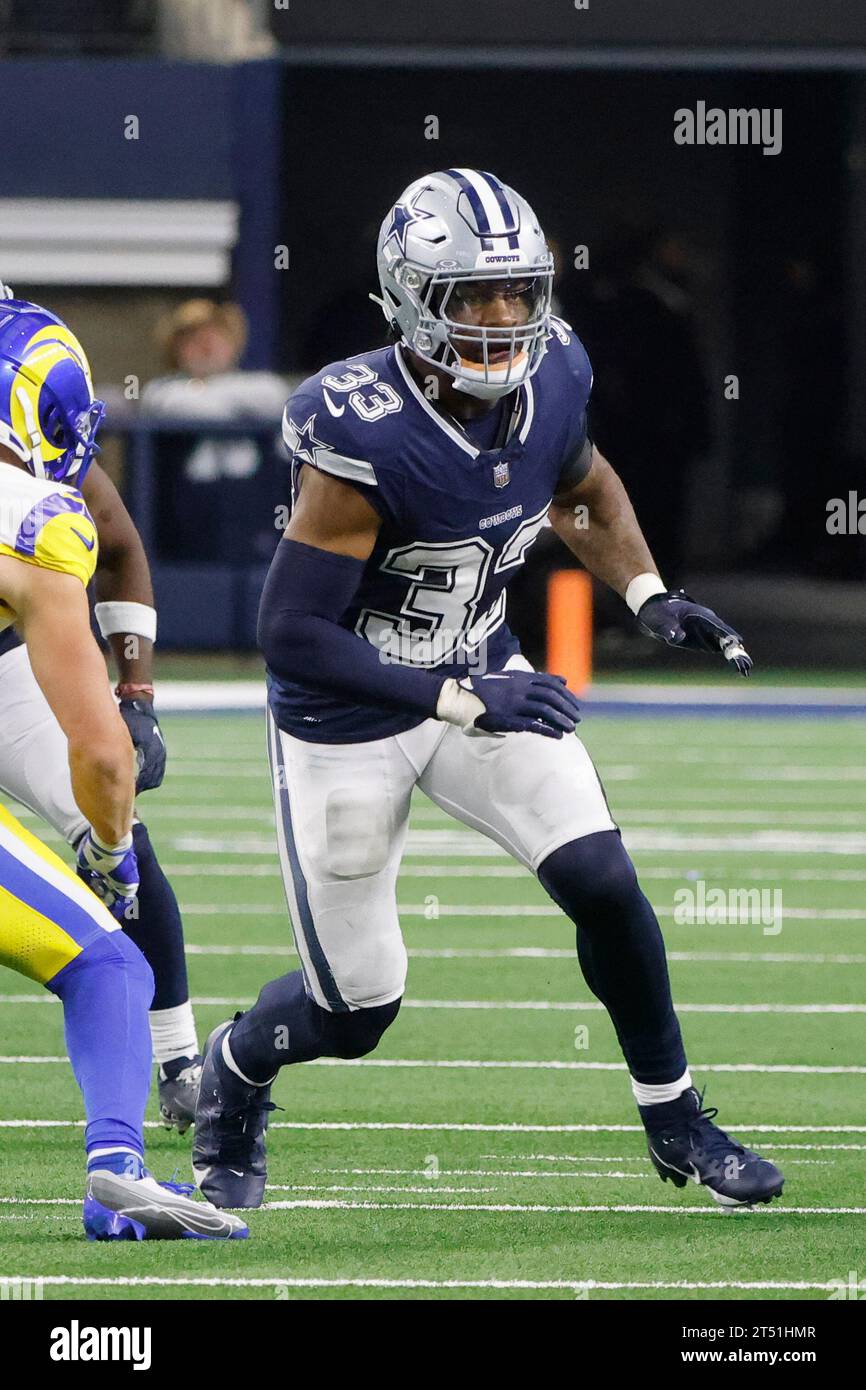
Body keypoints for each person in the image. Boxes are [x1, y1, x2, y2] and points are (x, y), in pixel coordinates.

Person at [192, 169, 783, 1212]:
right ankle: (237, 1069)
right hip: (351, 716)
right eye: (472, 296)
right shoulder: (359, 427)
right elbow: (288, 636)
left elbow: (582, 485)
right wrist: (461, 701)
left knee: (603, 880)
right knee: (355, 1010)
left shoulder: (554, 369)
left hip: (479, 665)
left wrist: (647, 595)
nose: (502, 318)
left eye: (515, 291)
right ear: (412, 293)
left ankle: (675, 1115)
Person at [0, 297, 246, 1238]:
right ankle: (119, 1176)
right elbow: (103, 755)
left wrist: (132, 695)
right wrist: (111, 853)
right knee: (104, 959)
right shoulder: (35, 517)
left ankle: (172, 1076)